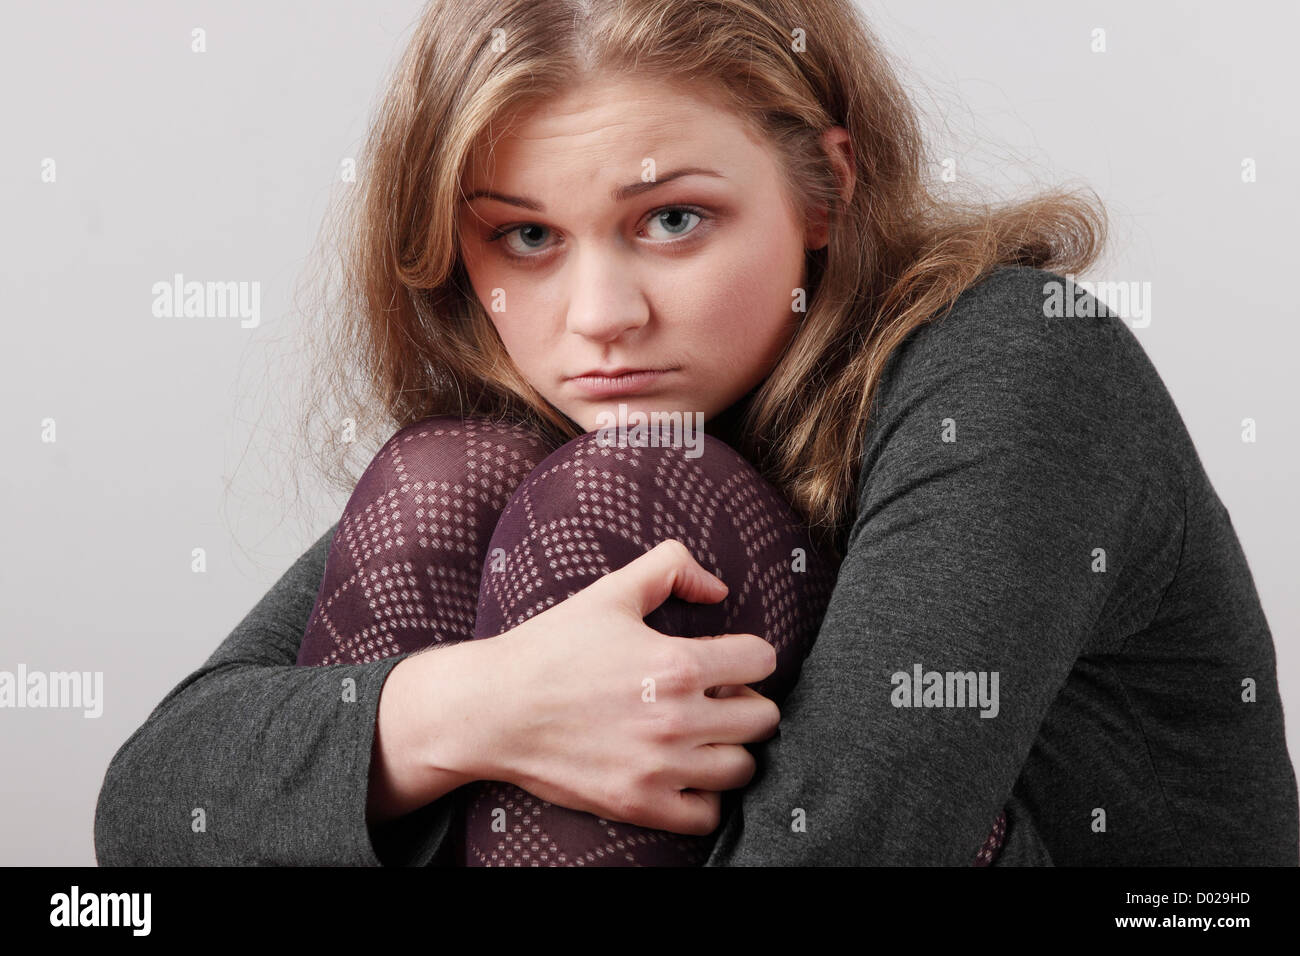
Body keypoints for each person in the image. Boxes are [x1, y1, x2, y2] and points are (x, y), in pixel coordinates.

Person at [93, 0, 1298, 866]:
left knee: (620, 503)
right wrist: (484, 704)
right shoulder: (543, 428)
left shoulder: (1021, 359)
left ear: (826, 188)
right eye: (525, 237)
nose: (600, 319)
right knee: (450, 474)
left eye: (672, 218)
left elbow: (841, 846)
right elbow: (151, 802)